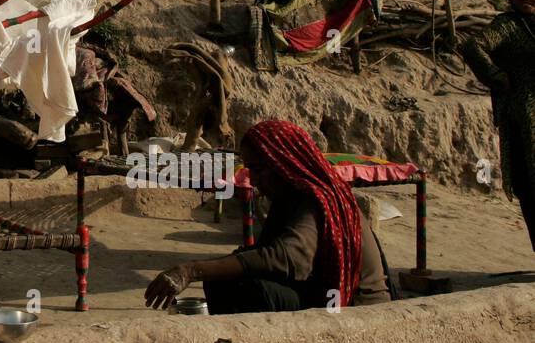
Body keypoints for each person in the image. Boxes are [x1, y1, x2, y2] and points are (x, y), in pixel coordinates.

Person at [144, 120, 390, 314]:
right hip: (325, 292)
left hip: (349, 304)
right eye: (250, 169)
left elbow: (286, 257)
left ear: (284, 164)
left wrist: (192, 270)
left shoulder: (315, 200)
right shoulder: (290, 197)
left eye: (259, 169)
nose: (254, 179)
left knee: (243, 289)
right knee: (225, 278)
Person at [462, 0, 535, 252]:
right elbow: (472, 45)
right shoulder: (508, 26)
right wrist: (494, 75)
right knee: (529, 189)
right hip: (523, 120)